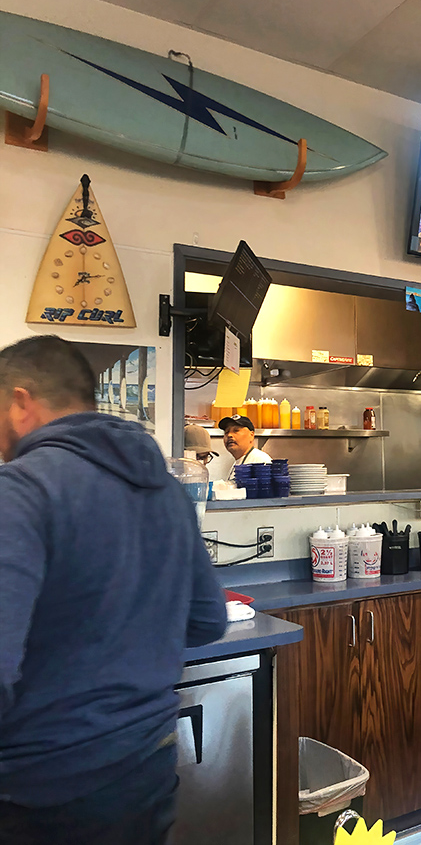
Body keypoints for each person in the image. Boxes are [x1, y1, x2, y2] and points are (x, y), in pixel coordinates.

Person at [0, 335, 227, 845]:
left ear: (20, 402)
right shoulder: (165, 488)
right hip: (146, 766)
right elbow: (207, 619)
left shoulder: (20, 489)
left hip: (43, 791)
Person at [218, 414, 272, 480]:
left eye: (236, 430)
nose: (229, 435)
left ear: (251, 435)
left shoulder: (260, 461)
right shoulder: (236, 463)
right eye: (226, 432)